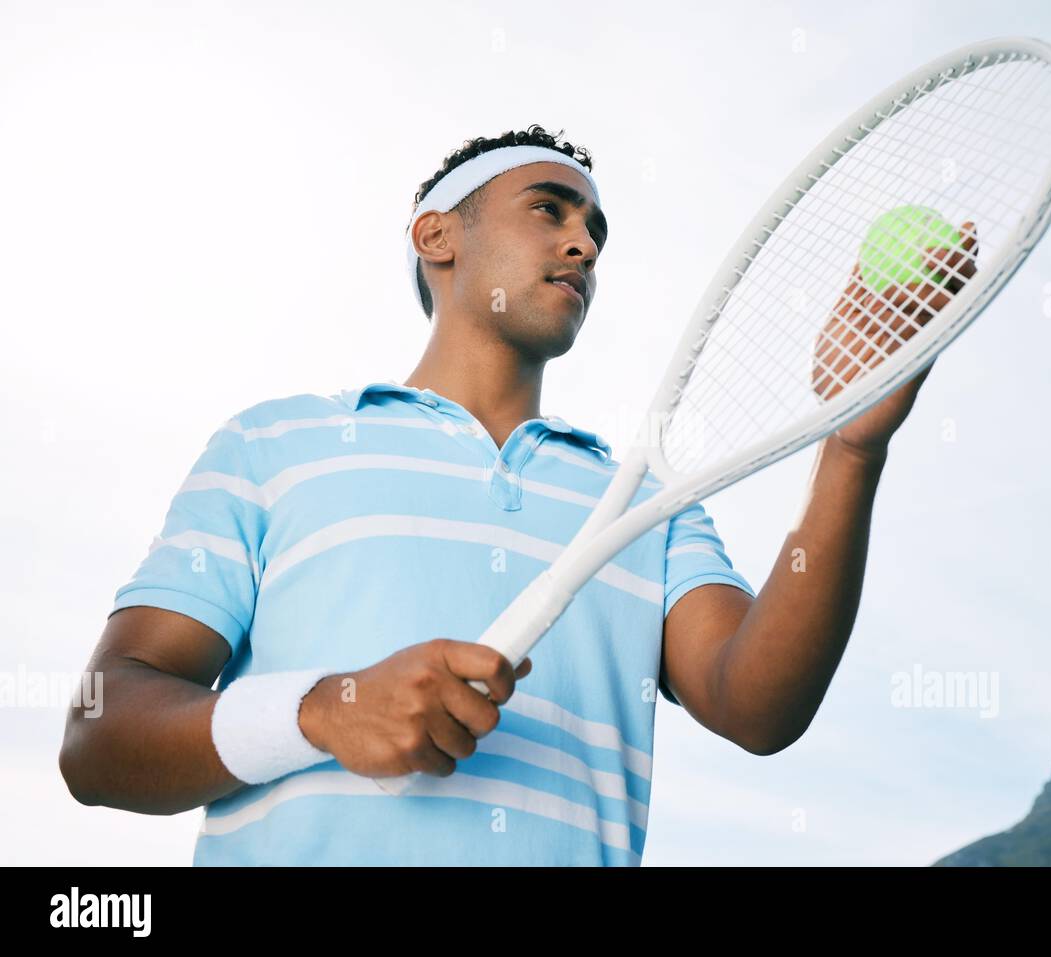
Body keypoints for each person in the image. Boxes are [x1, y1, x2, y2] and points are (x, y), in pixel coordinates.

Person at [59, 125, 974, 865]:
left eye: (595, 232)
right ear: (436, 236)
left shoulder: (643, 503)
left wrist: (851, 446)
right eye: (549, 209)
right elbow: (100, 738)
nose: (582, 243)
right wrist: (324, 710)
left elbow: (756, 703)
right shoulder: (272, 444)